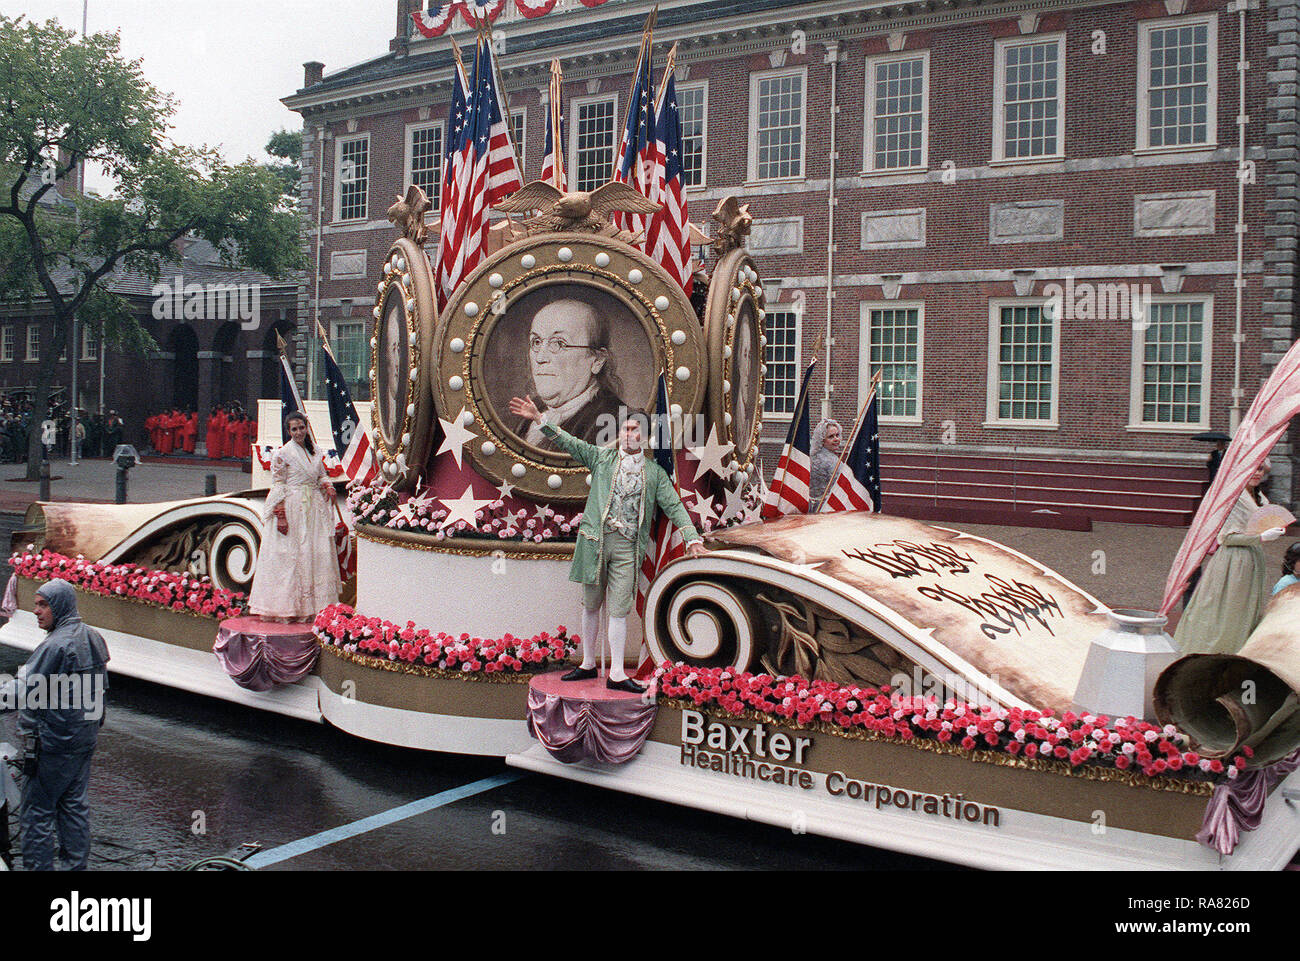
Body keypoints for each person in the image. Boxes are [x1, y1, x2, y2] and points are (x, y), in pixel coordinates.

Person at [509, 396, 705, 693]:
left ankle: (615, 673)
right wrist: (540, 420)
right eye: (625, 428)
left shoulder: (654, 473)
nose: (628, 434)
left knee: (618, 609)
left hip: (627, 547)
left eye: (634, 430)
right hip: (595, 542)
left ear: (644, 435)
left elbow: (674, 506)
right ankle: (588, 663)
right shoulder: (602, 458)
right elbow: (571, 443)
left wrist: (691, 537)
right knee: (590, 604)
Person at [13, 580, 110, 871]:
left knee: (37, 814)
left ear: (60, 606)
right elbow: (100, 689)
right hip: (83, 741)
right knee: (74, 807)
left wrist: (31, 736)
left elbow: (27, 693)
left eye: (43, 605)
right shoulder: (93, 637)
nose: (35, 611)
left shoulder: (54, 646)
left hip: (52, 746)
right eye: (36, 604)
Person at [1175, 459, 1287, 655]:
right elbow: (1226, 537)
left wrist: (1271, 532)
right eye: (1253, 468)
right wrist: (1260, 537)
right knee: (1226, 608)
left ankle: (1239, 650)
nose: (1257, 473)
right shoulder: (1235, 498)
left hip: (1253, 558)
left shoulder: (1259, 496)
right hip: (1234, 560)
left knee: (1245, 608)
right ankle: (1214, 652)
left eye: (1261, 469)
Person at [246, 410, 341, 621]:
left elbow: (322, 474)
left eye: (301, 427)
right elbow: (278, 483)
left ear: (307, 428)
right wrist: (280, 515)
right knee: (292, 554)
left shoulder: (315, 450)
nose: (299, 432)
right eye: (294, 429)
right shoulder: (283, 454)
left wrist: (327, 485)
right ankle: (290, 608)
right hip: (293, 506)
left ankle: (315, 607)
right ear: (289, 431)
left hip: (314, 508)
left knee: (315, 551)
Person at [510, 297, 627, 452]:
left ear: (597, 360)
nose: (540, 358)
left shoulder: (617, 423)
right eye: (536, 342)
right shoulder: (530, 413)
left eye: (559, 343)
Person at [809, 418, 844, 506]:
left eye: (837, 435)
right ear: (822, 440)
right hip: (828, 507)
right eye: (831, 437)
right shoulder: (832, 461)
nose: (836, 439)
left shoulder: (811, 456)